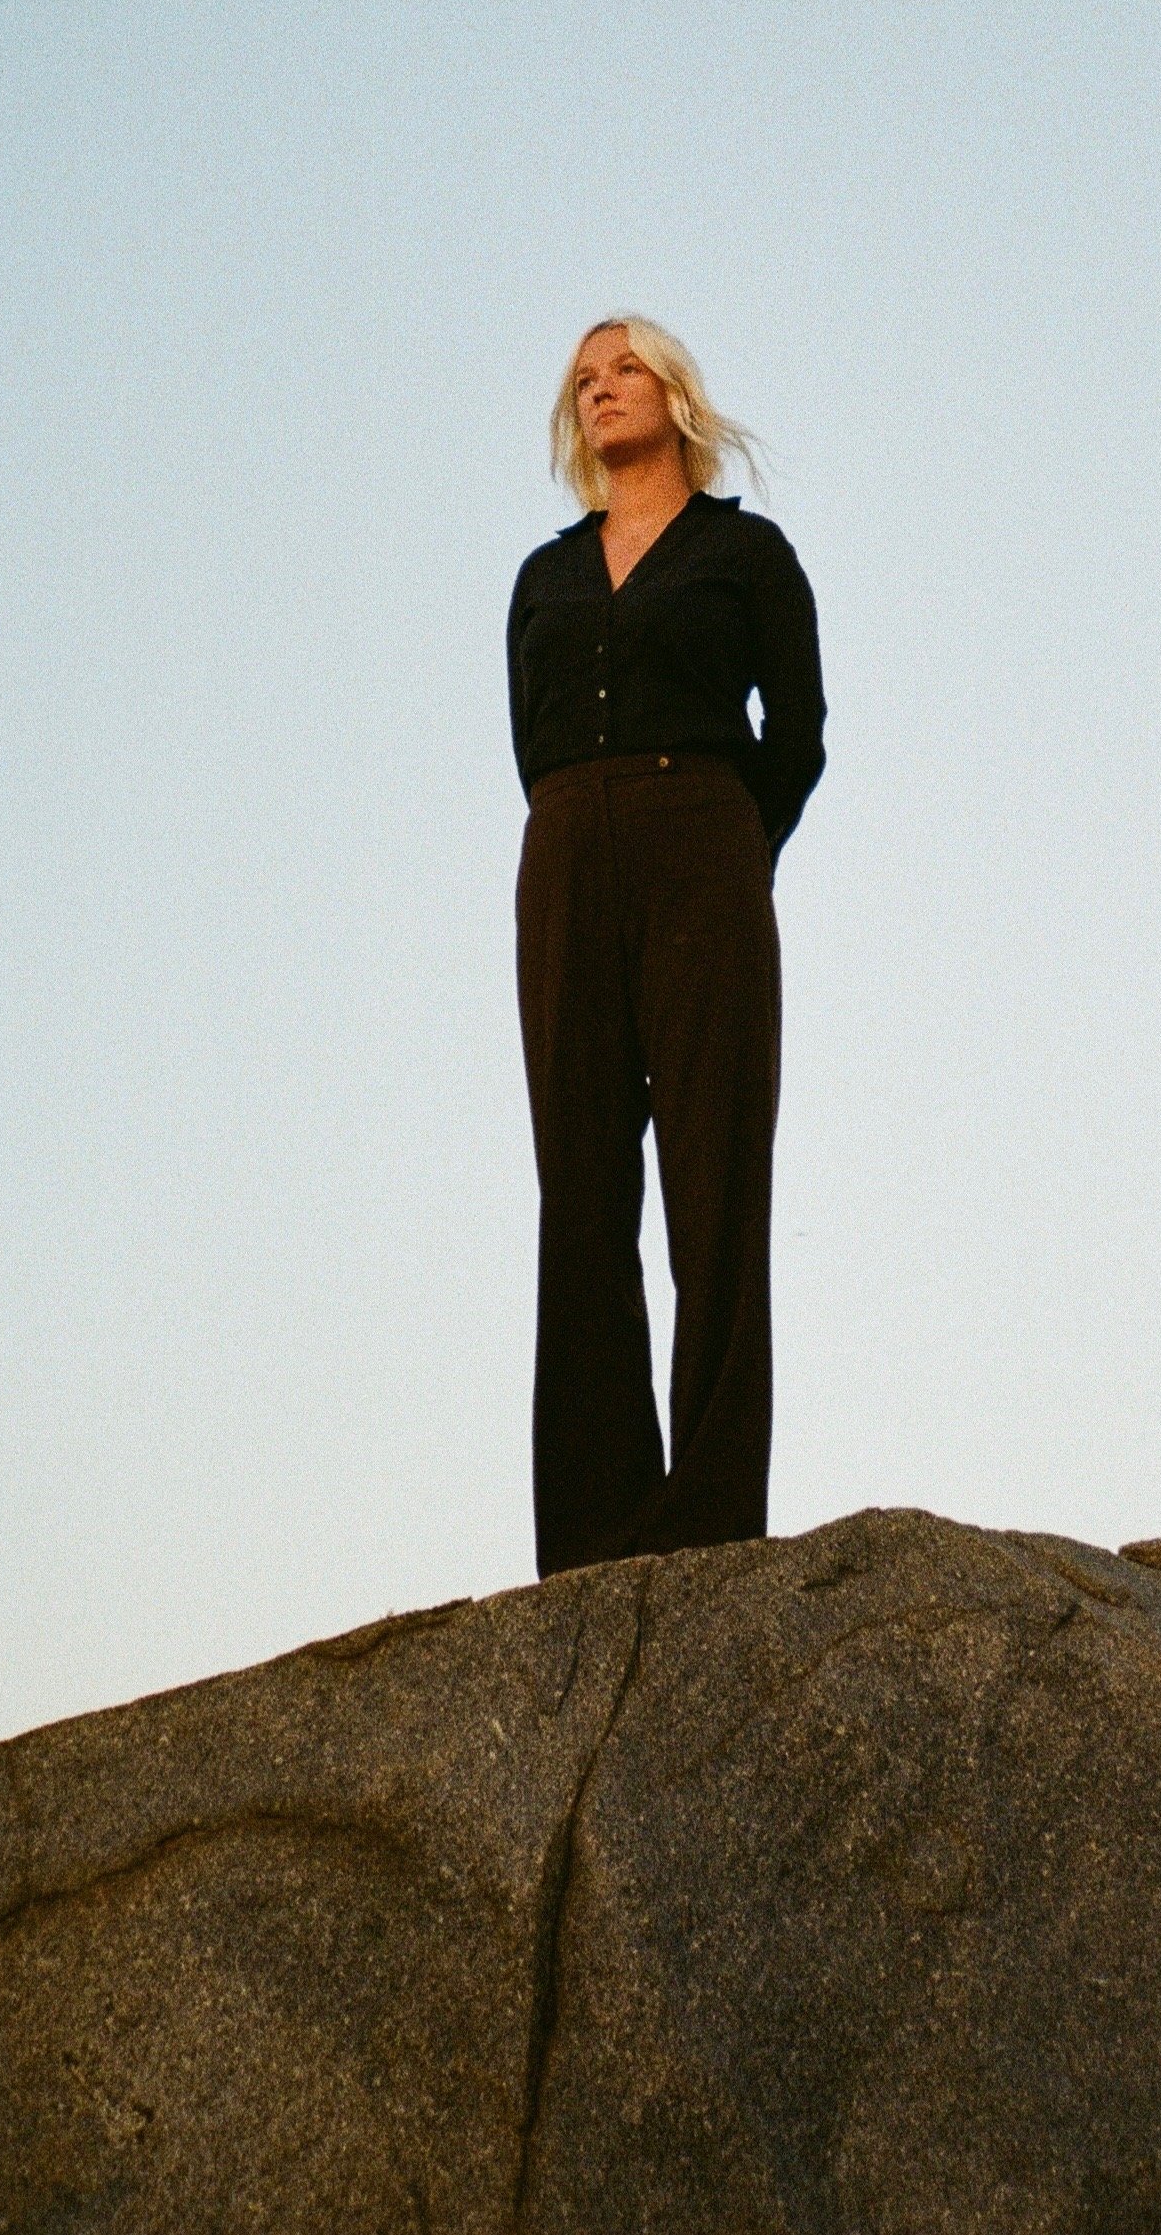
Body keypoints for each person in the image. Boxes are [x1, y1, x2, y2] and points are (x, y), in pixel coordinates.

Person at [506, 317, 825, 1577]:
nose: (601, 389)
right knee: (579, 1188)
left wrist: (734, 841)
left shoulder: (744, 554)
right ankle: (592, 1533)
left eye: (623, 367)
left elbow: (797, 728)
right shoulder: (543, 575)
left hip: (703, 845)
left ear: (675, 393)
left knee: (713, 1179)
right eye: (583, 380)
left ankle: (709, 1518)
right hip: (565, 854)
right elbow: (529, 736)